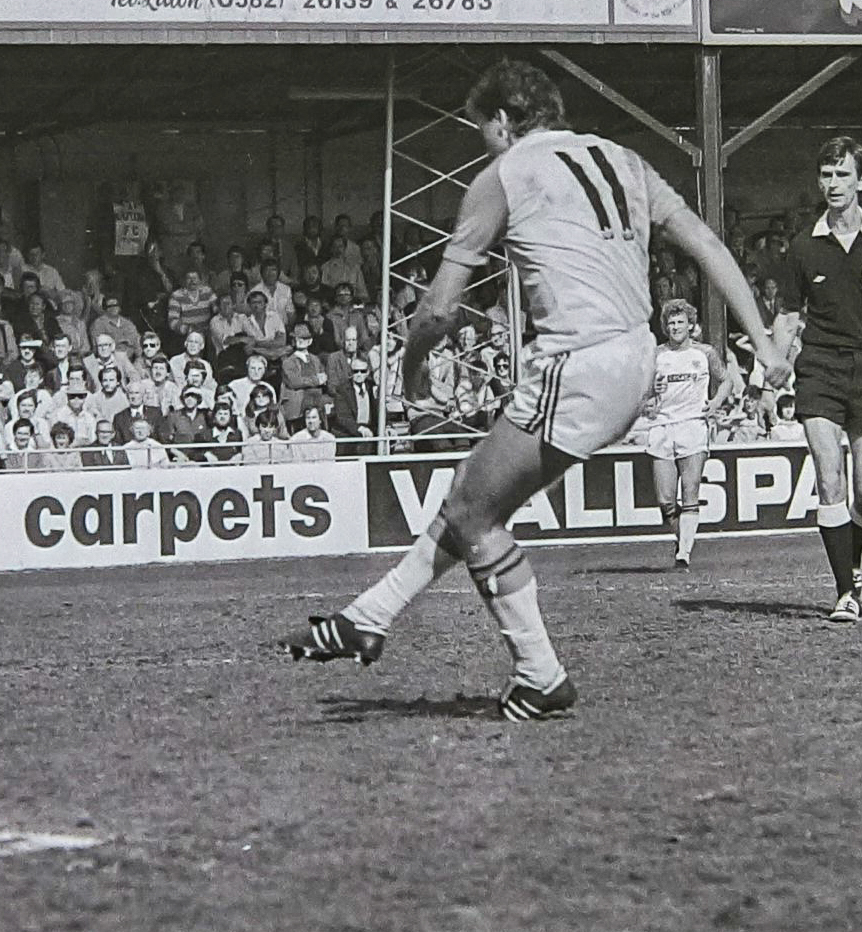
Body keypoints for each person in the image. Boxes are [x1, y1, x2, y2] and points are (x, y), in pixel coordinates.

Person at [284, 59, 784, 722]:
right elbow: (708, 245)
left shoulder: (504, 175)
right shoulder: (624, 160)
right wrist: (764, 343)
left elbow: (437, 309)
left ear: (501, 120)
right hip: (636, 357)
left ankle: (539, 674)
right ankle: (366, 618)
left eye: (481, 129)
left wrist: (409, 371)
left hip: (577, 363)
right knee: (472, 496)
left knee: (474, 512)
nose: (483, 142)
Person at [630, 299, 737, 570]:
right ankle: (683, 540)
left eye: (680, 322)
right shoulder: (656, 355)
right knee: (665, 500)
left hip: (693, 425)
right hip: (662, 427)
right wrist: (649, 397)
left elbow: (726, 380)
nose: (675, 327)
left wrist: (716, 402)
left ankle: (684, 554)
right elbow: (641, 392)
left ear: (691, 325)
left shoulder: (705, 353)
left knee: (690, 492)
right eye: (671, 323)